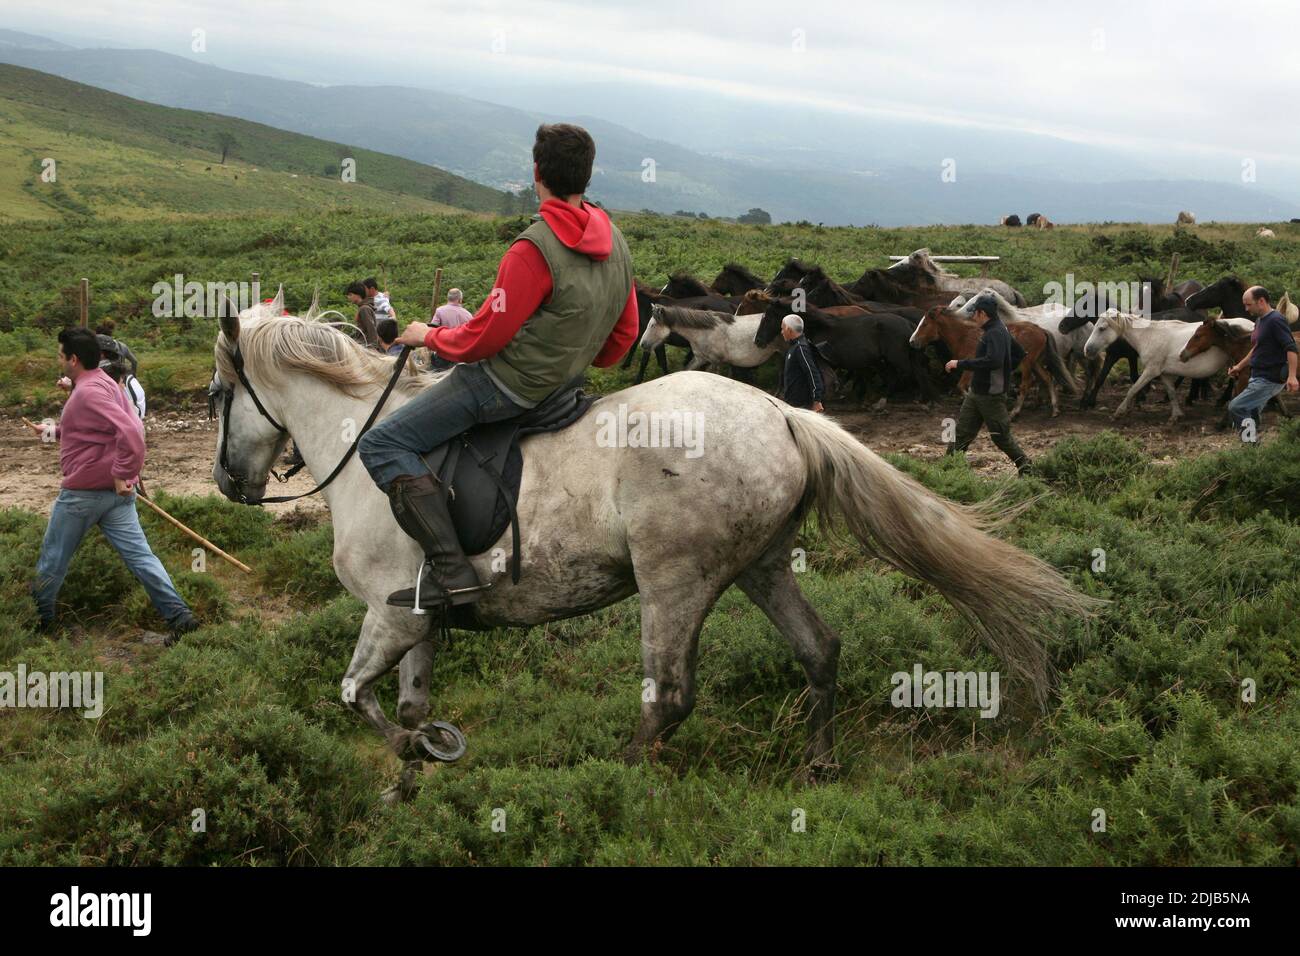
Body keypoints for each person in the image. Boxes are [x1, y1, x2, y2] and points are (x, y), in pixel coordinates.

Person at [358, 123, 638, 612]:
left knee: (382, 441)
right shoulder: (615, 240)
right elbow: (621, 338)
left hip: (503, 388)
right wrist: (571, 351)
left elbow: (483, 337)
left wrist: (428, 336)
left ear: (536, 173)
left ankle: (450, 570)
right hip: (567, 388)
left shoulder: (532, 249)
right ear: (587, 176)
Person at [27, 328, 198, 643]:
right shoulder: (104, 383)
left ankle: (37, 624)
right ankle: (179, 616)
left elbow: (133, 432)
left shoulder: (88, 391)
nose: (58, 360)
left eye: (60, 354)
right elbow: (89, 430)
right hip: (115, 499)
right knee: (142, 558)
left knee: (53, 558)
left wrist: (124, 472)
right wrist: (51, 432)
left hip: (83, 495)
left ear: (73, 359)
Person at [944, 295, 1032, 476]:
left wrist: (961, 364)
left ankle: (1028, 468)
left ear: (982, 313)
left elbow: (993, 361)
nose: (972, 318)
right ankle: (946, 472)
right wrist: (1005, 371)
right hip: (977, 393)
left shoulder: (996, 333)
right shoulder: (999, 330)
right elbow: (1019, 353)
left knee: (1001, 437)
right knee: (961, 433)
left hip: (991, 396)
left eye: (974, 313)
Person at [1227, 286, 1299, 436]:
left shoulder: (1276, 320)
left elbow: (1291, 348)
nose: (1246, 309)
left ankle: (1250, 443)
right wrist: (1239, 366)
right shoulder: (1260, 320)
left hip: (1269, 378)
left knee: (1237, 407)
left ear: (1261, 301)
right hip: (1258, 375)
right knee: (1251, 411)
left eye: (1248, 304)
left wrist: (1292, 376)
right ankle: (1253, 451)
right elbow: (1257, 348)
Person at [780, 315, 825, 412]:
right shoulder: (795, 346)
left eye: (782, 328)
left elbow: (812, 372)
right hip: (793, 403)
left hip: (802, 405)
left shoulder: (801, 348)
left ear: (789, 329)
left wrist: (817, 400)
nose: (782, 332)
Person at [345, 281, 379, 347]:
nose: (349, 297)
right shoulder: (362, 308)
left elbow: (371, 329)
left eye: (350, 295)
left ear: (358, 295)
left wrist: (373, 348)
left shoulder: (364, 309)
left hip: (364, 346)